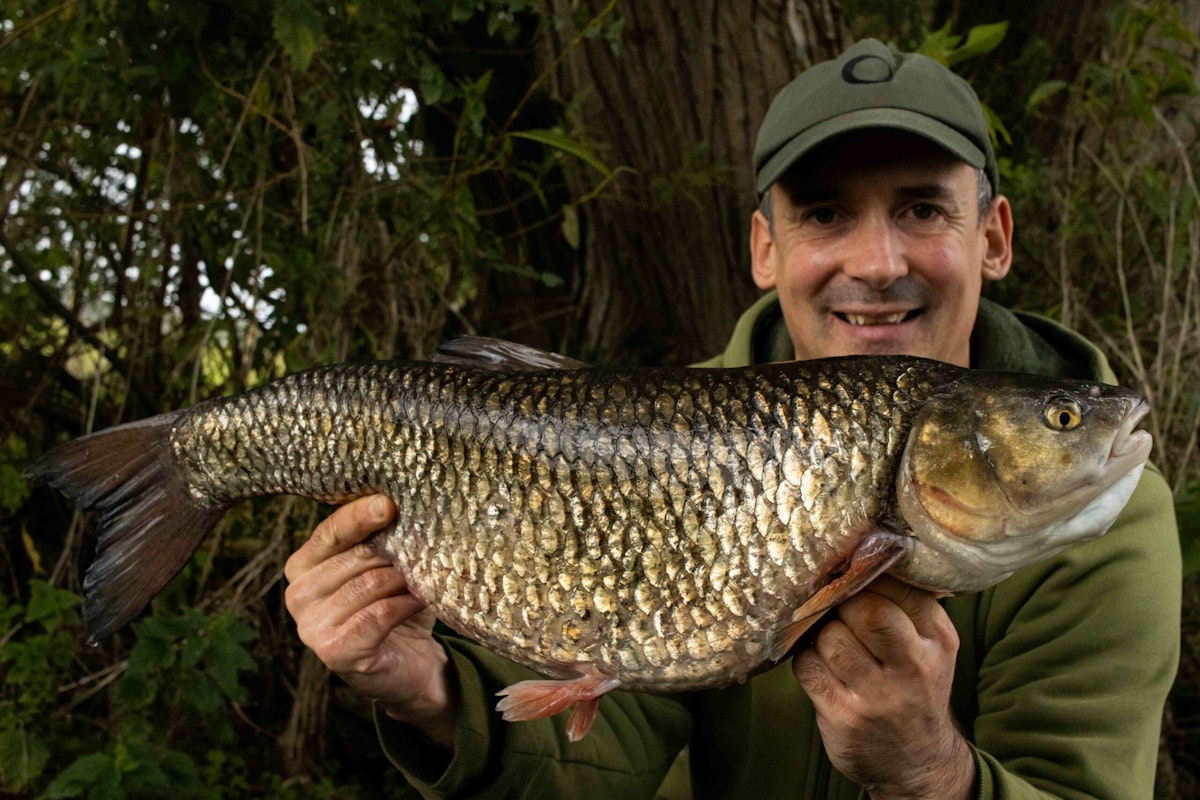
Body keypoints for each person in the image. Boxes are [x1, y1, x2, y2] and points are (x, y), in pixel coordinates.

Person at [282, 39, 1181, 798]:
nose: (875, 262)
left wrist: (933, 774)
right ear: (764, 249)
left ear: (993, 236)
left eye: (921, 208)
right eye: (826, 213)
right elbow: (608, 755)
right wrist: (432, 693)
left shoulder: (1107, 516)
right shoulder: (675, 441)